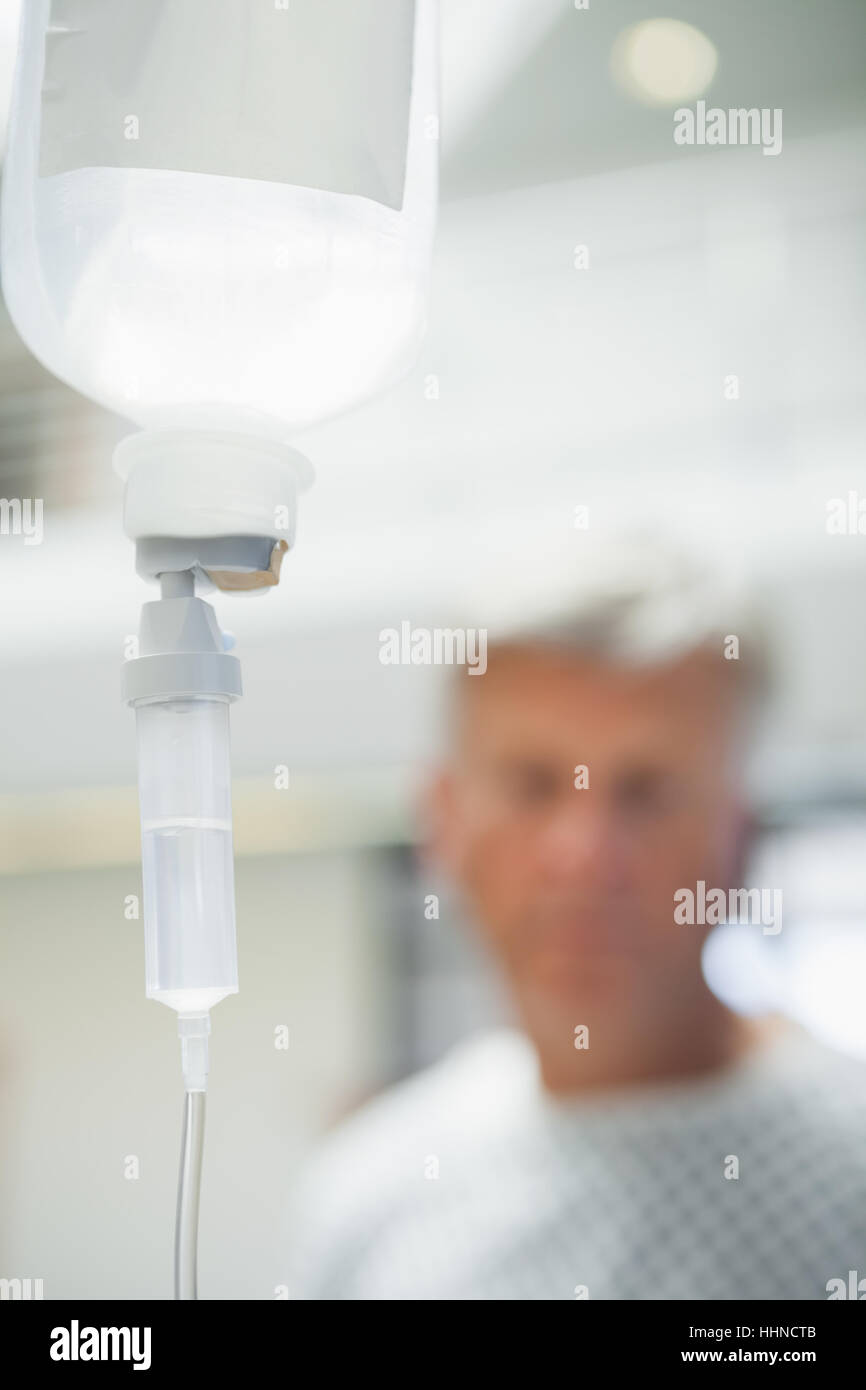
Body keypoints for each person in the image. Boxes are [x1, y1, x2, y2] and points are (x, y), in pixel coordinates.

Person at [284, 547, 866, 1300]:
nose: (585, 856)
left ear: (740, 836)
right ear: (445, 820)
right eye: (532, 785)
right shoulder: (369, 1196)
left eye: (646, 791)